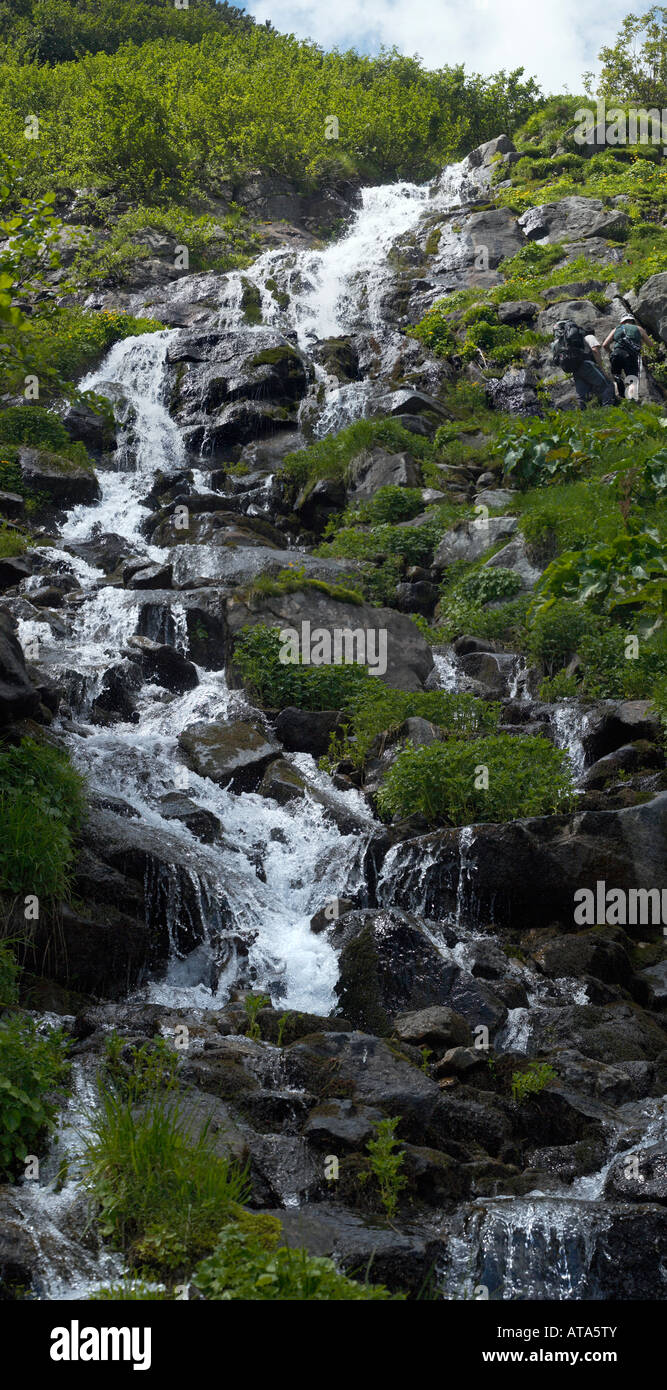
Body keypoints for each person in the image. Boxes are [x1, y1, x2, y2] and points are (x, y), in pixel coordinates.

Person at [552, 319, 616, 410]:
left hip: (575, 369)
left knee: (581, 396)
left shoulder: (562, 342)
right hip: (586, 365)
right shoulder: (589, 337)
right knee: (607, 386)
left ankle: (581, 416)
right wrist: (601, 368)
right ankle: (609, 410)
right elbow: (595, 351)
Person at [602, 314, 651, 400]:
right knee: (632, 380)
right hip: (630, 355)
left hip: (616, 354)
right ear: (633, 321)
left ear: (622, 322)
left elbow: (605, 345)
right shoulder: (638, 329)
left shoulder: (616, 329)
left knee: (617, 376)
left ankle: (620, 399)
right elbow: (650, 344)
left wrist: (611, 352)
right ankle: (631, 401)